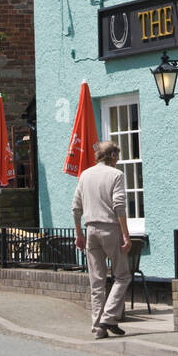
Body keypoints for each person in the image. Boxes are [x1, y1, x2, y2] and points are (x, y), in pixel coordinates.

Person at [72, 140, 132, 338]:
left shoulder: (85, 175)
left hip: (90, 230)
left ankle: (98, 327)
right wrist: (125, 234)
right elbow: (119, 206)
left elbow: (76, 207)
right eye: (118, 156)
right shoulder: (116, 175)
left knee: (96, 281)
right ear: (113, 156)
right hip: (110, 229)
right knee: (122, 275)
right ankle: (109, 316)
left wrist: (79, 233)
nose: (118, 160)